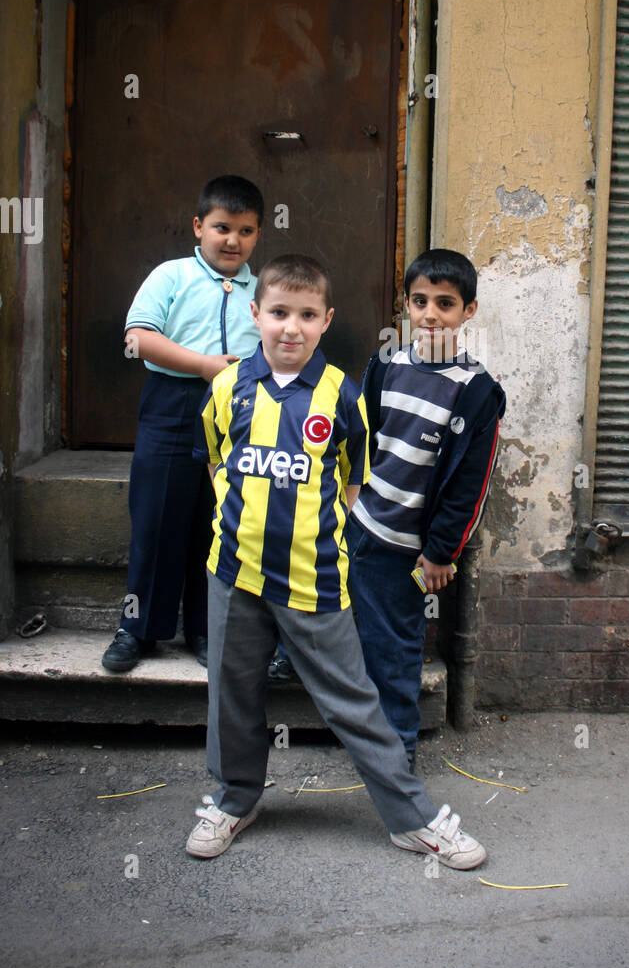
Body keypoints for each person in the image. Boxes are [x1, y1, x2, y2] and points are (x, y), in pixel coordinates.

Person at [185, 253, 486, 869]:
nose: (289, 328)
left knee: (354, 699)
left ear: (326, 320)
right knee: (232, 691)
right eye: (277, 313)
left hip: (313, 577)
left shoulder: (344, 395)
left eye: (304, 315)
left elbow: (353, 480)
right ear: (256, 314)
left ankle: (412, 818)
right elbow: (215, 458)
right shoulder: (227, 386)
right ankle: (233, 798)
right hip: (233, 572)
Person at [346, 248, 506, 770]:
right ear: (406, 306)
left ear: (469, 311)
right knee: (351, 638)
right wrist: (349, 505)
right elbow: (360, 440)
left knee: (395, 651)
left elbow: (469, 486)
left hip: (409, 552)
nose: (431, 314)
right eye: (420, 301)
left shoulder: (477, 393)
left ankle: (397, 757)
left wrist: (440, 554)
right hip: (362, 528)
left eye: (446, 303)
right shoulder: (385, 365)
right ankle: (359, 741)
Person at [101, 175, 264, 675]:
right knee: (156, 518)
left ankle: (204, 629)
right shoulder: (171, 276)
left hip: (239, 413)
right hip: (173, 404)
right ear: (198, 226)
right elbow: (137, 338)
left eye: (246, 230)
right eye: (221, 228)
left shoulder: (261, 291)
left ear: (258, 235)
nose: (232, 240)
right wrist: (201, 365)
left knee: (217, 523)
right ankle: (137, 628)